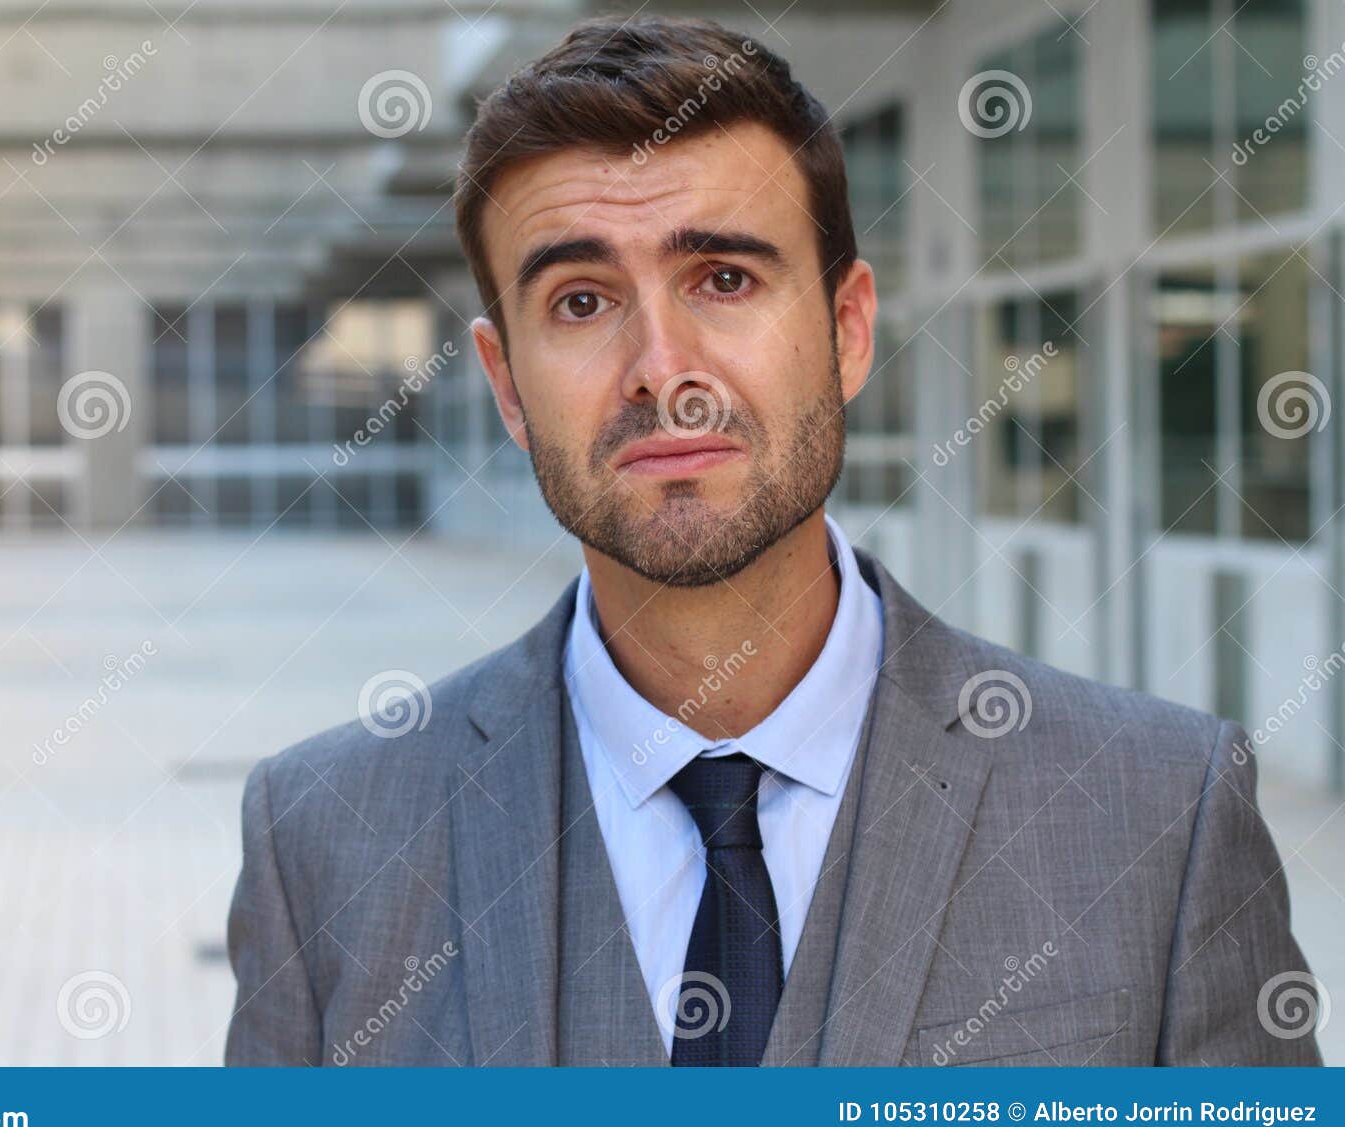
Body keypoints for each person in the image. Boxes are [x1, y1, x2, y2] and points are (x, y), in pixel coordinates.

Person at [225, 15, 1321, 1067]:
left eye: (725, 279)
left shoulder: (1153, 814)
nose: (663, 367)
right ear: (506, 384)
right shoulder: (327, 840)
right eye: (580, 300)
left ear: (846, 332)